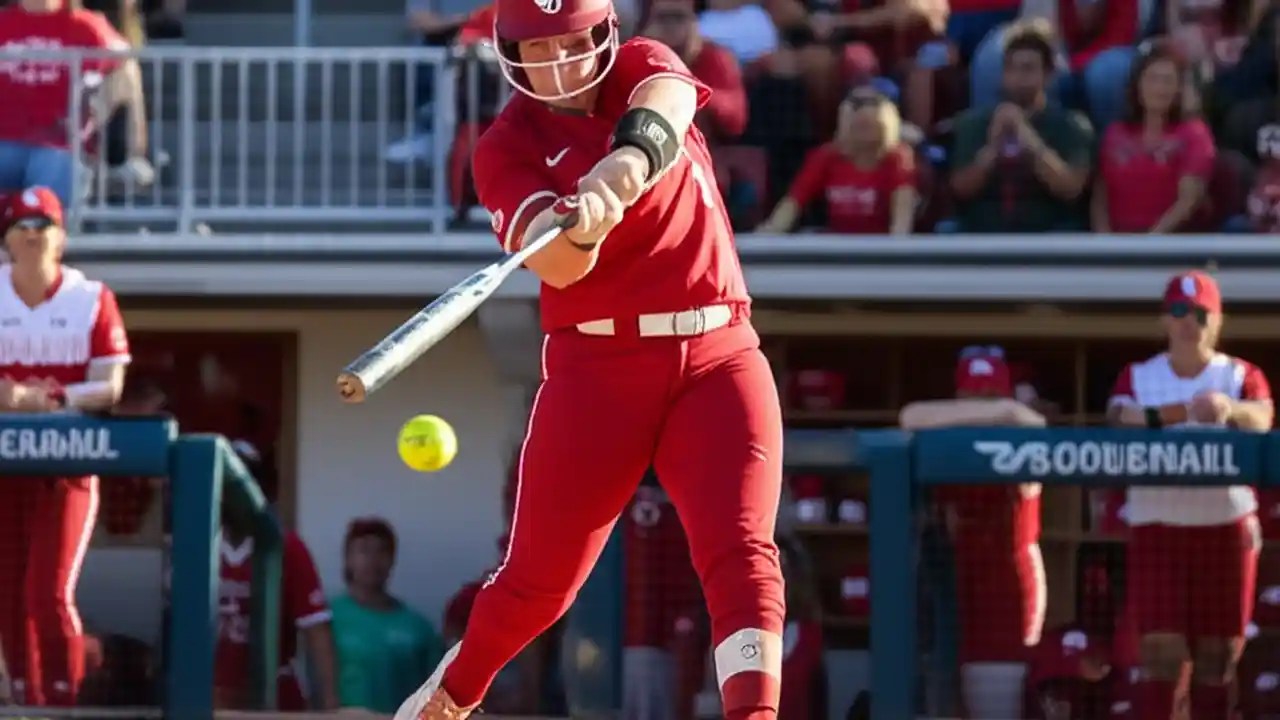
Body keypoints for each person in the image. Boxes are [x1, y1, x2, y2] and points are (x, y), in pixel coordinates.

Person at [394, 0, 787, 715]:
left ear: (604, 34)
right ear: (510, 53)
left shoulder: (641, 63)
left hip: (718, 350)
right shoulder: (502, 148)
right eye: (539, 51)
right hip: (598, 367)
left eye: (575, 45)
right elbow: (562, 266)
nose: (561, 66)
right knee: (539, 584)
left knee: (741, 554)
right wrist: (579, 228)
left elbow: (664, 107)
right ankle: (446, 700)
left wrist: (626, 163)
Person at [1107, 270, 1274, 720]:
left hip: (1223, 526)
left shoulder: (1238, 374)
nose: (1189, 322)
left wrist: (1229, 408)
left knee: (1216, 655)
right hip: (1158, 526)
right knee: (1160, 652)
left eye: (1200, 313)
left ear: (1216, 321)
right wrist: (1178, 412)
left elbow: (1263, 416)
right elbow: (1119, 415)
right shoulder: (1140, 375)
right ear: (1165, 318)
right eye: (1179, 311)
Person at [0, 186, 131, 706]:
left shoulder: (90, 297)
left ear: (62, 238)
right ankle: (23, 700)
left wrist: (44, 397)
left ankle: (61, 702)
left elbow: (110, 385)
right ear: (6, 239)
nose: (32, 237)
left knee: (48, 594)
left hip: (68, 463)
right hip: (5, 467)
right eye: (21, 227)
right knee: (8, 595)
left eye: (43, 227)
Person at [899, 347, 1048, 720]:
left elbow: (1032, 424)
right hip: (954, 601)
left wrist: (999, 412)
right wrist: (989, 412)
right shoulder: (950, 451)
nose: (979, 405)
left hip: (1007, 604)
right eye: (971, 396)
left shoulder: (1018, 445)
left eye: (989, 395)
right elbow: (909, 417)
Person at [215, 441, 340, 712]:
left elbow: (316, 629)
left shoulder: (286, 547)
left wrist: (331, 707)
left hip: (273, 694)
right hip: (212, 692)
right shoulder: (200, 545)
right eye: (225, 486)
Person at [948, 19, 1093, 234]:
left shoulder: (1071, 125)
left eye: (1028, 69)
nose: (1017, 78)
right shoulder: (973, 123)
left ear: (1049, 75)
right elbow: (960, 189)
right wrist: (992, 149)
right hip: (983, 234)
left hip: (1050, 236)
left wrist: (1029, 139)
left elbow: (1071, 188)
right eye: (1010, 69)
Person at [0, 0, 134, 205]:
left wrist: (101, 114)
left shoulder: (87, 25)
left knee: (57, 174)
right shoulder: (3, 22)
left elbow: (124, 65)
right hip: (5, 141)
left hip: (60, 145)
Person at [1092, 40, 1216, 234]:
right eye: (1152, 79)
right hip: (1115, 247)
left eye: (1167, 80)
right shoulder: (1115, 132)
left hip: (1169, 247)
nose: (1159, 88)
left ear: (1179, 88)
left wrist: (1148, 245)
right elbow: (1101, 195)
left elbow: (1188, 201)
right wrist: (1106, 243)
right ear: (1137, 85)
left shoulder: (1194, 133)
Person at [758, 85, 917, 235]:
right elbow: (793, 202)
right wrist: (768, 233)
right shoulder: (827, 156)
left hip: (879, 245)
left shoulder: (898, 157)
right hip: (838, 242)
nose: (865, 133)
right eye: (860, 126)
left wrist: (893, 252)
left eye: (870, 127)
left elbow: (902, 221)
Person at [330, 517, 444, 714]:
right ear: (348, 559)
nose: (373, 560)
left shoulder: (418, 628)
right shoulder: (327, 619)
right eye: (364, 550)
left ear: (392, 559)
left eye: (381, 551)